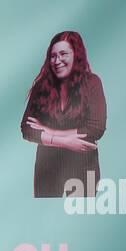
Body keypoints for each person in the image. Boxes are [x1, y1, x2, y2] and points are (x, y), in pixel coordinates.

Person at [20, 31, 106, 198]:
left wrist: (49, 133)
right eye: (52, 56)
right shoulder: (41, 87)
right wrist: (65, 141)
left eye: (63, 54)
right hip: (47, 172)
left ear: (76, 55)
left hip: (82, 169)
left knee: (81, 223)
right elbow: (26, 129)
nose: (56, 61)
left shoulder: (92, 83)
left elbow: (96, 128)